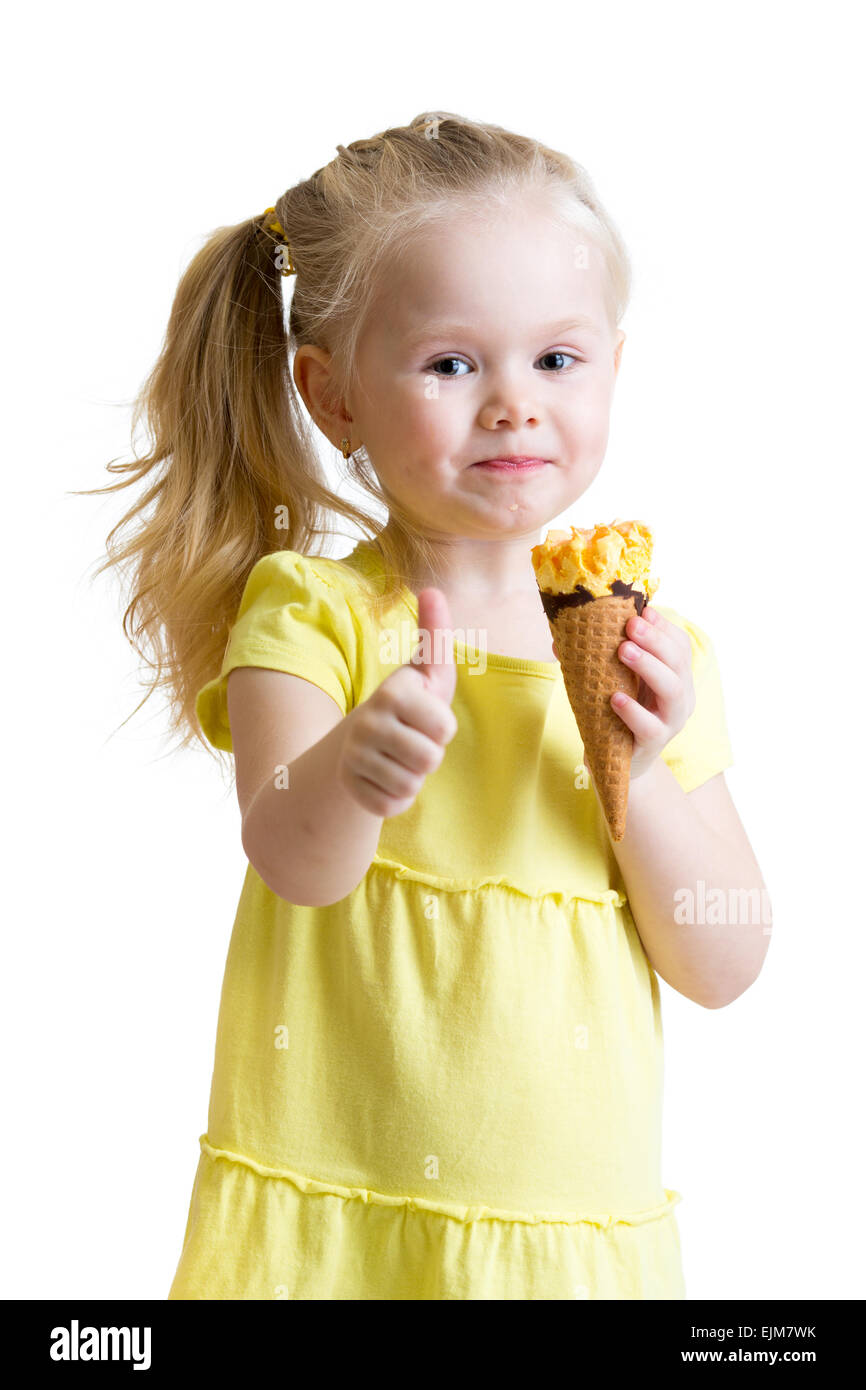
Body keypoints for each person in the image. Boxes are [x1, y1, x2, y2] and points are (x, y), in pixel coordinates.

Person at [90, 111, 771, 1299]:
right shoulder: (316, 613)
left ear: (615, 367)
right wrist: (355, 766)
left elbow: (723, 959)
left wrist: (644, 773)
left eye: (555, 359)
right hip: (342, 1220)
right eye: (452, 363)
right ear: (334, 395)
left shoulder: (657, 652)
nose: (511, 403)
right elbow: (291, 853)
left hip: (567, 1241)